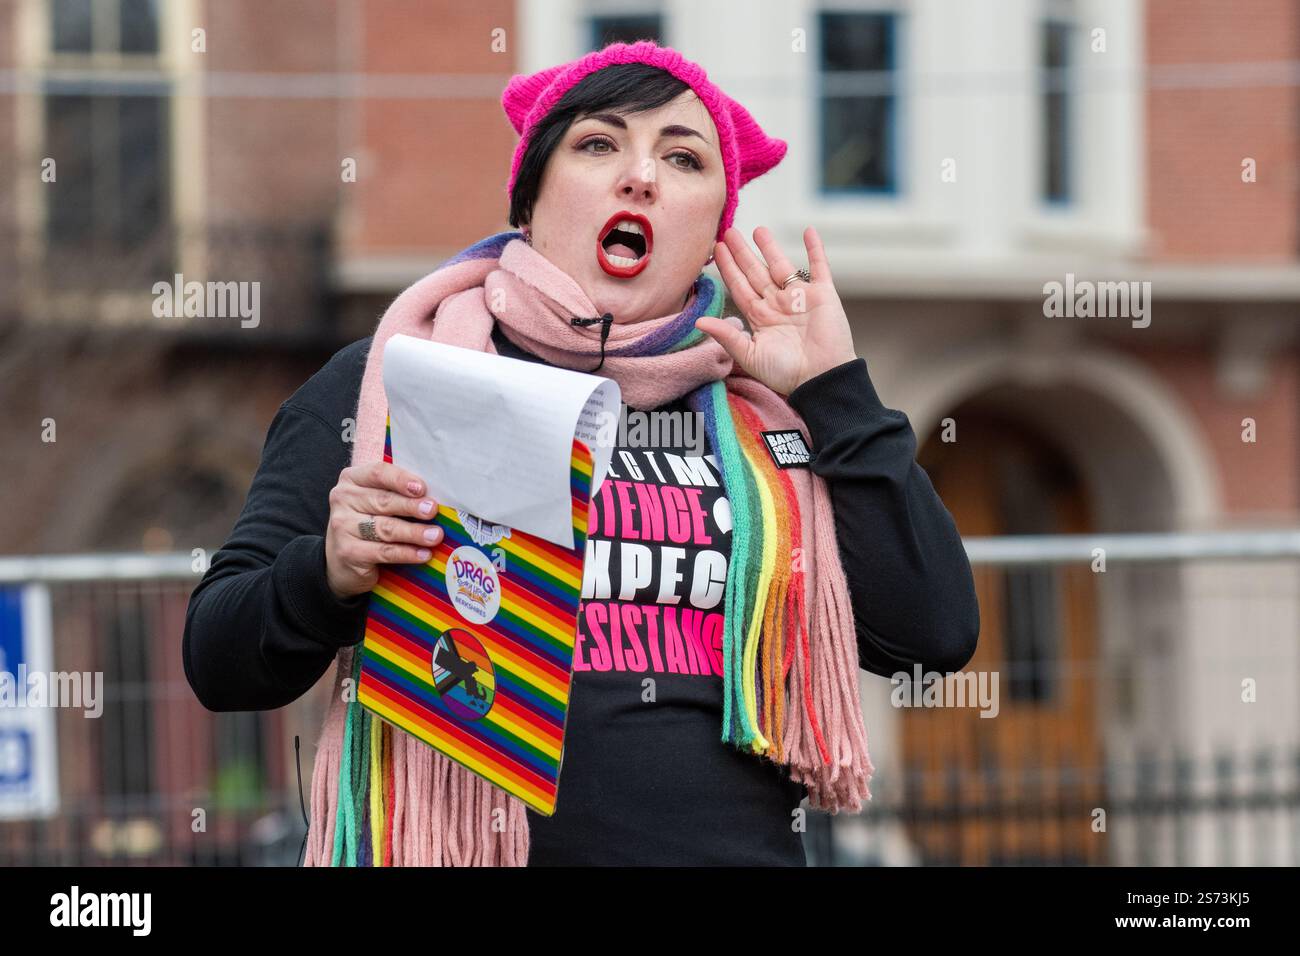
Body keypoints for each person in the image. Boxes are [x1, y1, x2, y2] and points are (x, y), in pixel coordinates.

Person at [183, 40, 979, 866]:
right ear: (528, 204)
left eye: (683, 157)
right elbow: (218, 658)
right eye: (598, 144)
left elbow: (937, 634)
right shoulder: (392, 379)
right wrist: (328, 572)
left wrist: (836, 393)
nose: (641, 176)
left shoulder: (768, 418)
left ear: (714, 233)